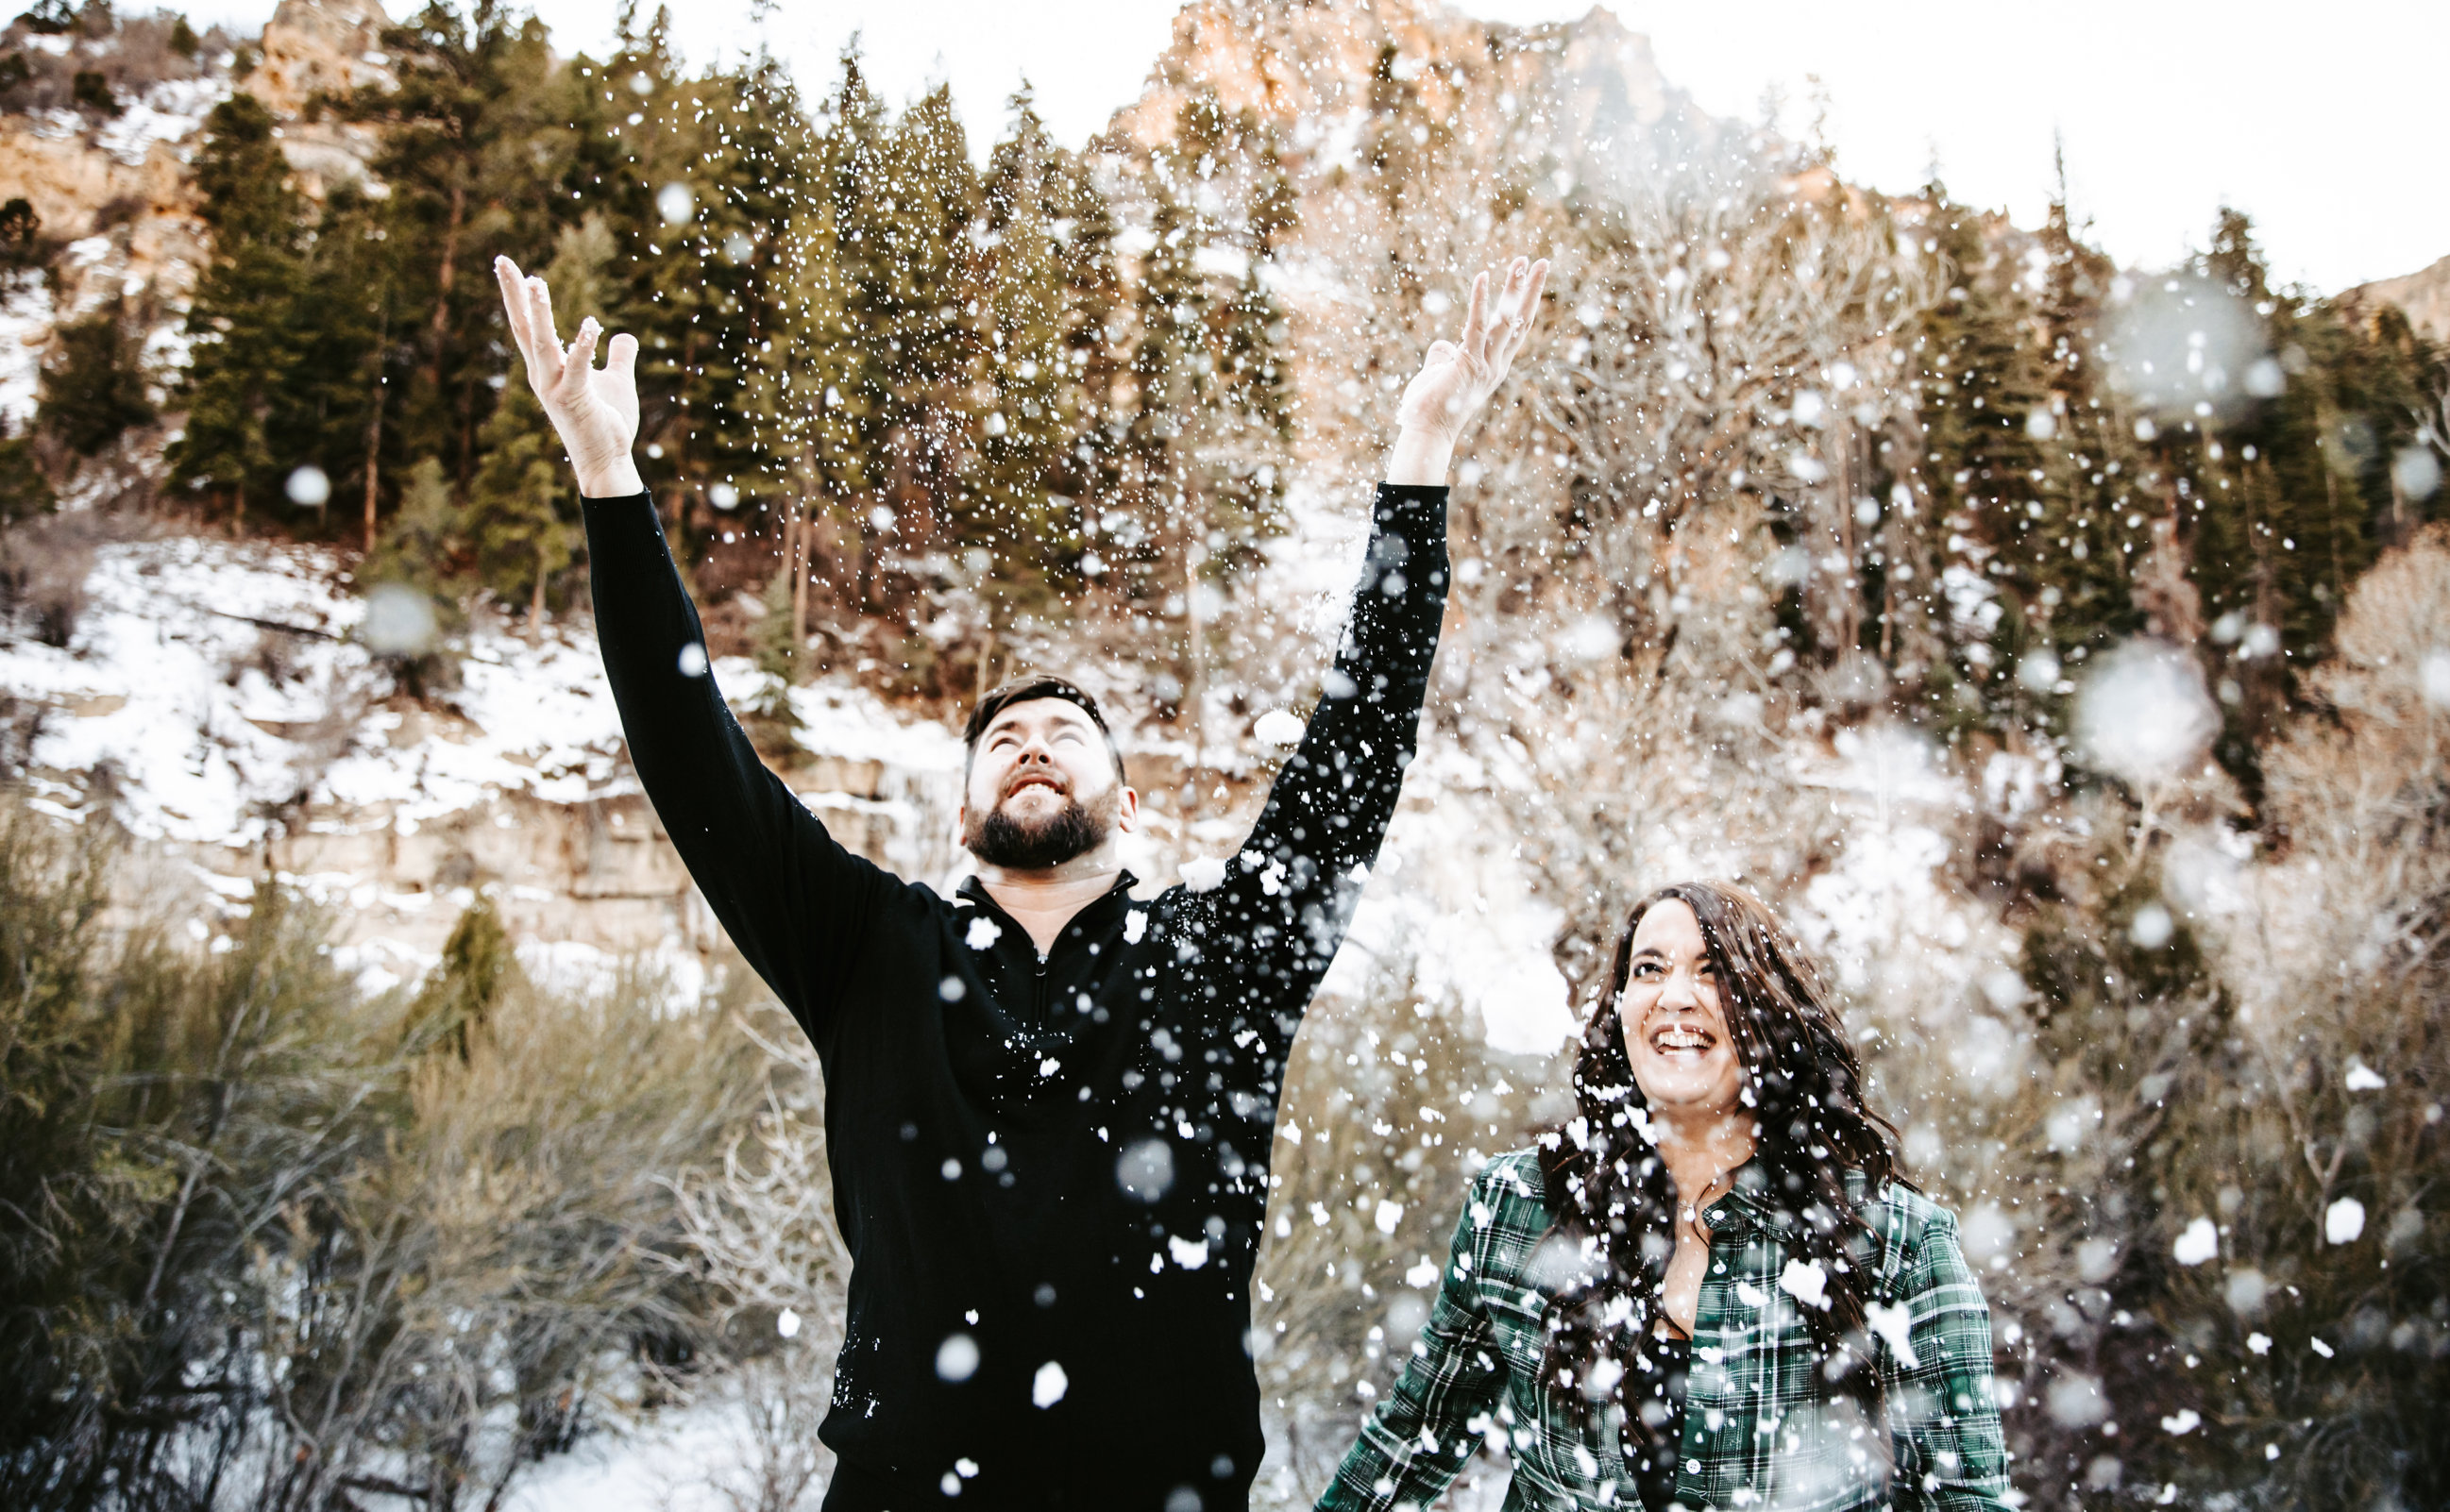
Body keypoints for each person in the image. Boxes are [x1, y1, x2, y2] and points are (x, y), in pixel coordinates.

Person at [491, 252, 1550, 1510]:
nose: (1031, 742)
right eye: (1002, 738)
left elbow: (1359, 739)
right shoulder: (868, 948)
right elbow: (689, 753)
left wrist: (1418, 456)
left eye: (1065, 732)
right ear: (962, 813)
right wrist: (609, 481)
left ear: (1129, 801)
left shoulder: (1226, 956)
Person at [1320, 881, 2013, 1511]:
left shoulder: (1895, 1240)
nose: (1673, 997)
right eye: (1648, 969)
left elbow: (1965, 1498)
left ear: (1770, 1017)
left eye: (1713, 973)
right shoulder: (1517, 1205)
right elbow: (1411, 1439)